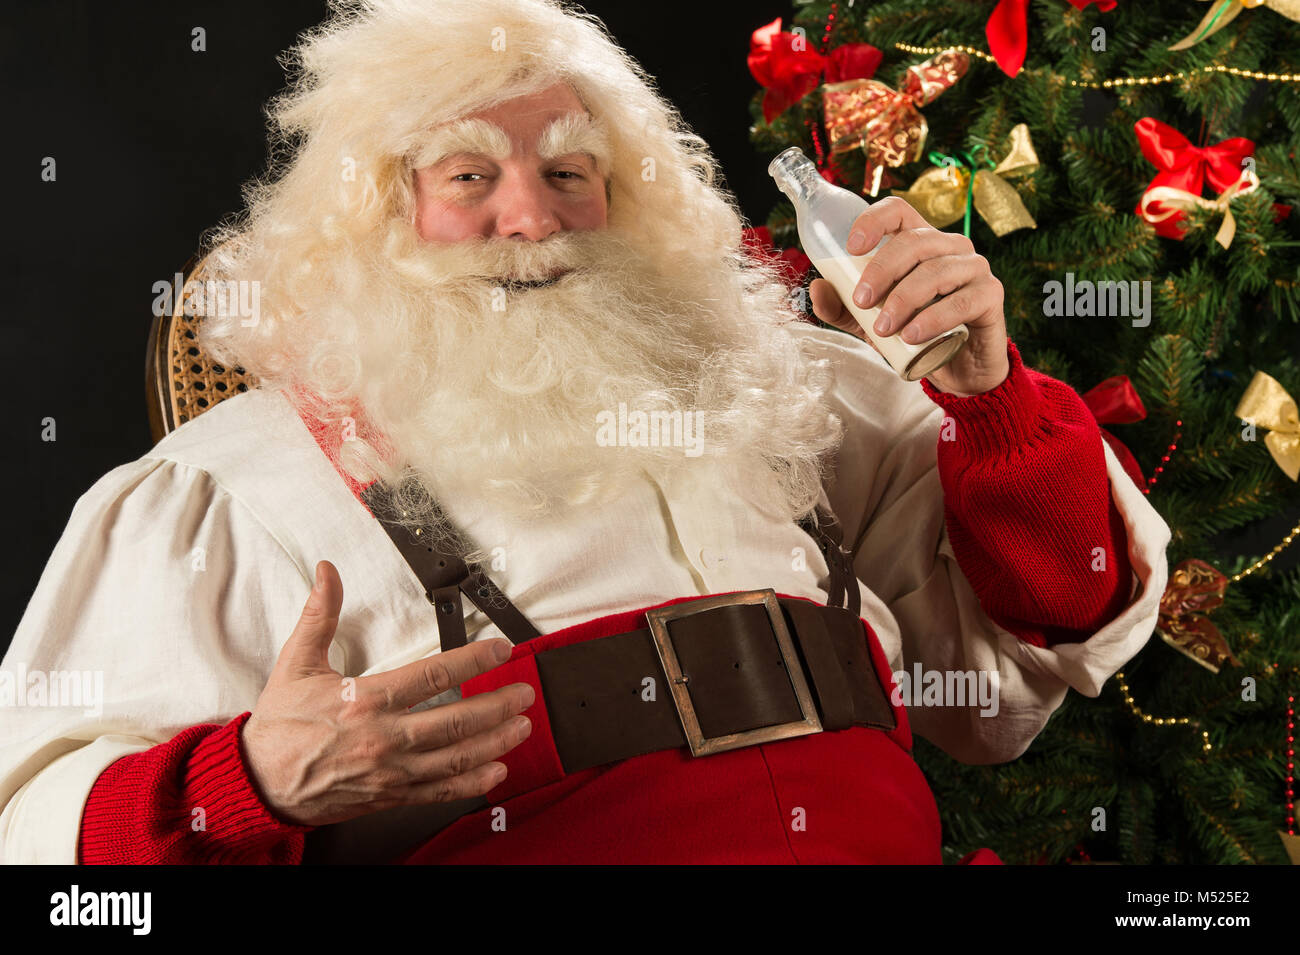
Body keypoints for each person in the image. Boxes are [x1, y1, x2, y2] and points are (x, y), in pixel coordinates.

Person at [0, 0, 1170, 865]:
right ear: (372, 215)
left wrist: (991, 393)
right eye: (468, 175)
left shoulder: (789, 390)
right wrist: (248, 780)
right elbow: (39, 845)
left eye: (571, 170)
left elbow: (1031, 654)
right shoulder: (236, 487)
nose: (532, 218)